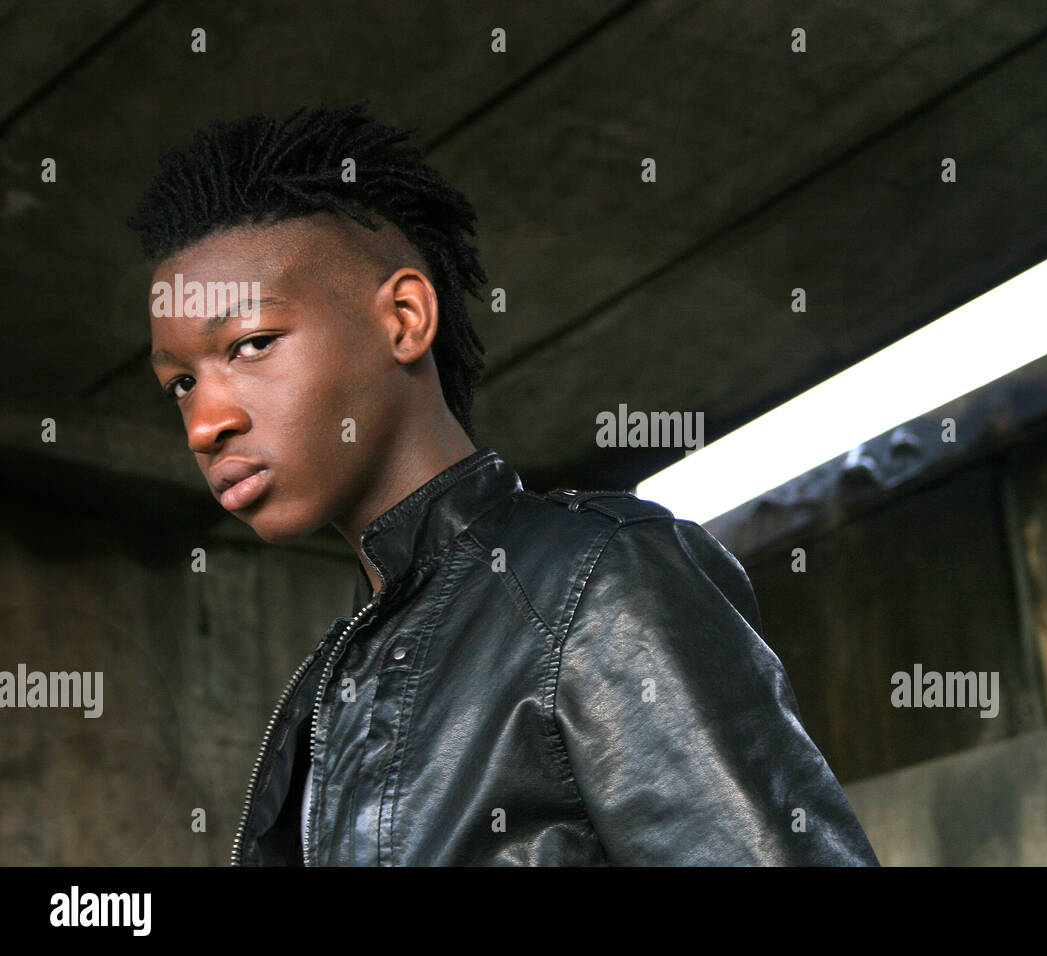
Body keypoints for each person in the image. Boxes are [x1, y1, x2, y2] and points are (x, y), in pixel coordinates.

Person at [128, 103, 880, 866]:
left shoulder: (594, 582)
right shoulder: (323, 691)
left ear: (404, 317)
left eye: (252, 344)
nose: (204, 423)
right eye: (181, 382)